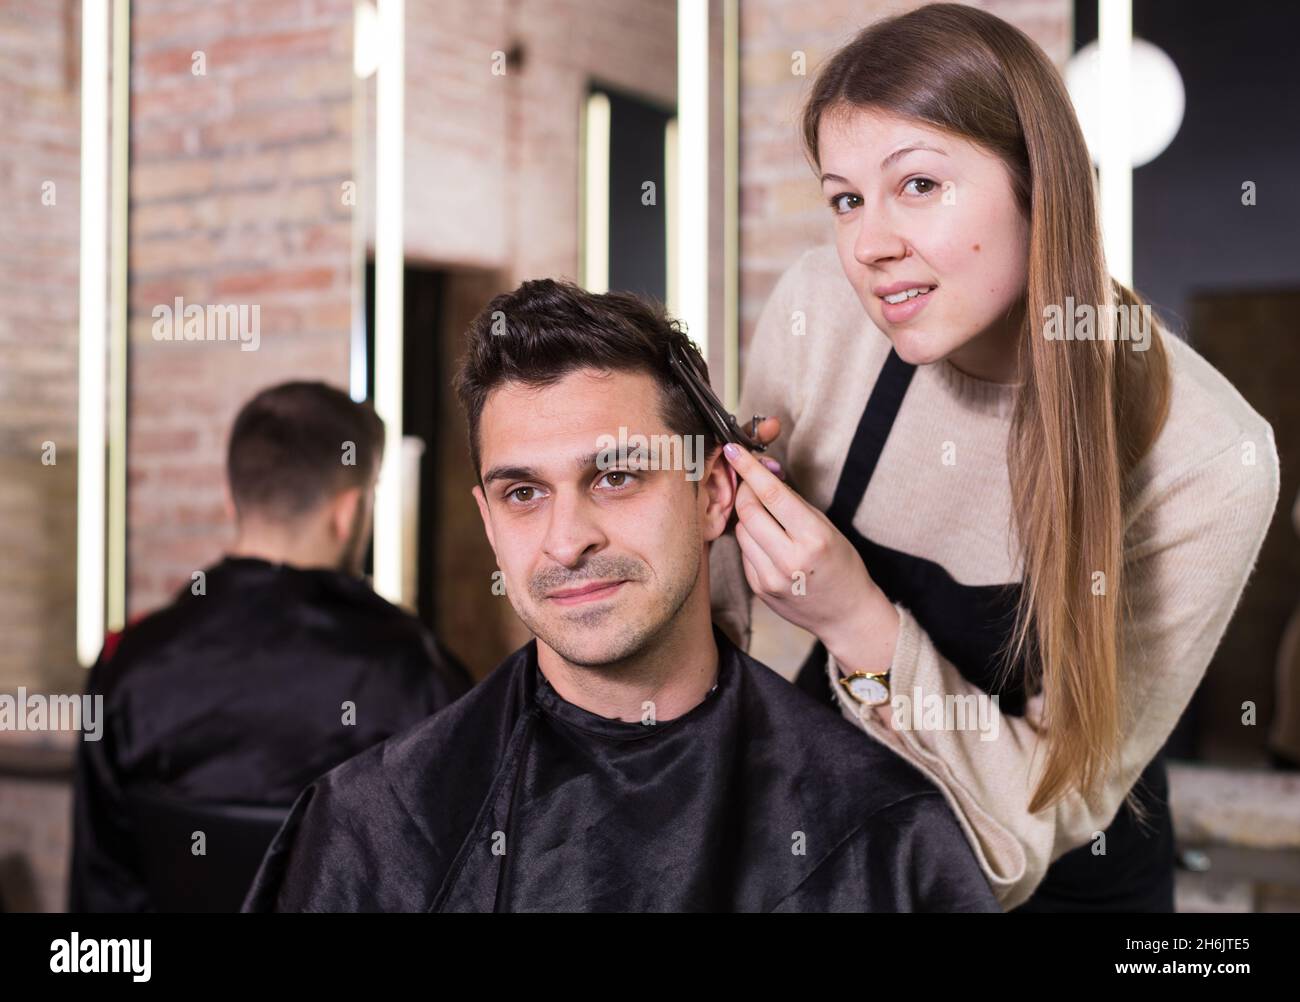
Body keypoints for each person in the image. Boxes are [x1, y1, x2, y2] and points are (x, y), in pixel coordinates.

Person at [708, 4, 1280, 911]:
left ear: (1038, 182)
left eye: (920, 185)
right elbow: (719, 621)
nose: (869, 245)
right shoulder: (821, 306)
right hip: (844, 832)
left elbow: (1036, 817)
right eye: (846, 197)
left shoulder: (1208, 458)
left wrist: (858, 623)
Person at [242, 280, 999, 913]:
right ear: (488, 521)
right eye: (524, 493)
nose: (567, 540)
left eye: (615, 477)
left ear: (712, 497)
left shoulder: (879, 835)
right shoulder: (376, 824)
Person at [69, 381, 472, 912]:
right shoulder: (415, 670)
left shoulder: (129, 661)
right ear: (349, 510)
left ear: (236, 492)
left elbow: (99, 891)